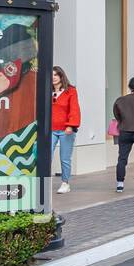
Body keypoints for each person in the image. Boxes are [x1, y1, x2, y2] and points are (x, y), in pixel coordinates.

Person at [50, 66, 81, 194]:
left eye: (56, 75)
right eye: (51, 75)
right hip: (50, 130)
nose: (53, 77)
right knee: (46, 157)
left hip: (65, 130)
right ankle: (43, 182)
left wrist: (70, 125)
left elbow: (74, 109)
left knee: (65, 158)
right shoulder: (47, 91)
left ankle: (65, 183)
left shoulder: (71, 91)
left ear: (61, 76)